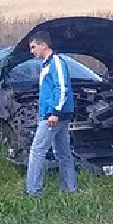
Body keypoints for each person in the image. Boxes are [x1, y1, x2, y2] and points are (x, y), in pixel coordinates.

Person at [25, 31, 77, 198]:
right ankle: (69, 189)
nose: (32, 51)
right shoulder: (46, 64)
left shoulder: (56, 62)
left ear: (44, 45)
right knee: (63, 153)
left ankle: (33, 192)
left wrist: (55, 112)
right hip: (55, 114)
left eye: (33, 47)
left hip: (53, 116)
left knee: (37, 151)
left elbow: (61, 88)